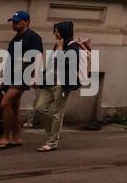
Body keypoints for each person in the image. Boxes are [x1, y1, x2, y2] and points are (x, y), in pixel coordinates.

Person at [33, 21, 87, 151]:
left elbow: (67, 63)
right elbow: (51, 64)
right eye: (55, 30)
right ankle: (54, 134)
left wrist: (62, 49)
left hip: (61, 84)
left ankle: (52, 142)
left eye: (57, 30)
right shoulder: (57, 44)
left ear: (63, 32)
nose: (55, 33)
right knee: (40, 108)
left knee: (57, 113)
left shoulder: (72, 46)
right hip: (49, 82)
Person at [0, 11, 44, 150]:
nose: (14, 24)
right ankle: (17, 137)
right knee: (14, 107)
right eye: (13, 21)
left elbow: (38, 56)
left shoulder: (33, 37)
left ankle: (6, 137)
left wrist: (36, 76)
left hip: (22, 76)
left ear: (27, 21)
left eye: (17, 21)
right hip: (11, 75)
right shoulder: (16, 38)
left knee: (4, 103)